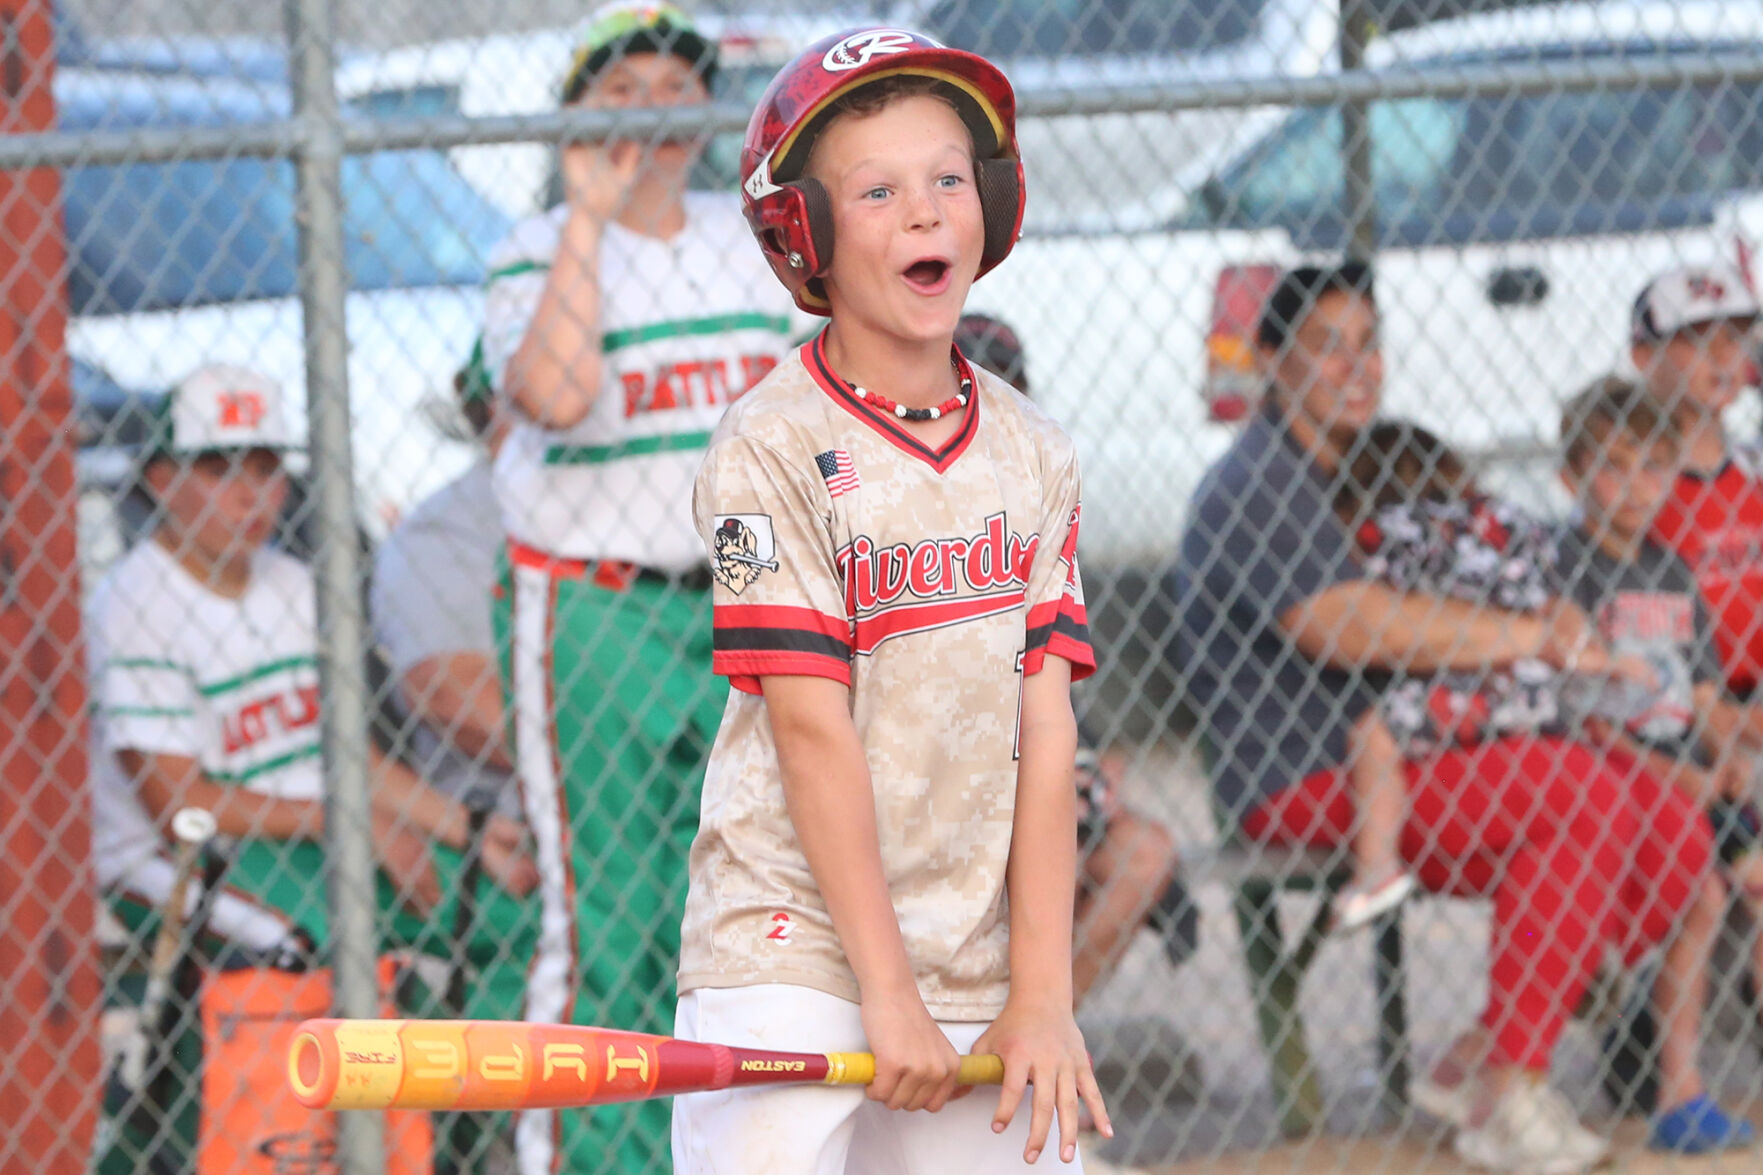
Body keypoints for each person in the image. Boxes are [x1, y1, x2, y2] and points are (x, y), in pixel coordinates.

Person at [674, 29, 1110, 1174]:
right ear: (803, 238)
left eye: (948, 179)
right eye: (875, 191)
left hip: (974, 951)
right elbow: (809, 728)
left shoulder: (1032, 452)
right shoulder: (761, 449)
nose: (924, 213)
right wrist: (882, 989)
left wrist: (1042, 993)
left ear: (993, 206)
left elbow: (1045, 728)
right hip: (793, 942)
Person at [1173, 262, 1700, 1173]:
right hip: (1304, 773)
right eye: (1326, 345)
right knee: (1577, 793)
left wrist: (1541, 621)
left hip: (1413, 757)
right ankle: (1509, 1092)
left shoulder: (1366, 466)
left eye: (1366, 343)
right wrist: (1531, 635)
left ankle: (1484, 1059)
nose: (1354, 364)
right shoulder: (1258, 481)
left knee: (1669, 829)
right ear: (1271, 360)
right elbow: (1348, 625)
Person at [477, 6, 802, 1171]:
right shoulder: (534, 245)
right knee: (605, 917)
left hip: (742, 593)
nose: (654, 109)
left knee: (747, 913)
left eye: (675, 85)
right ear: (575, 114)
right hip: (594, 605)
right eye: (622, 92)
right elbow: (557, 397)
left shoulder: (750, 236)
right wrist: (587, 224)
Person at [88, 364, 536, 999]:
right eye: (220, 470)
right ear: (162, 481)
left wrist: (470, 830)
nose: (251, 495)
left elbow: (357, 760)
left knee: (513, 914)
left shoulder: (292, 584)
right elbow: (182, 808)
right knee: (309, 949)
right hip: (183, 857)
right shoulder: (133, 604)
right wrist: (349, 821)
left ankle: (490, 1097)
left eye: (265, 468)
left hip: (314, 832)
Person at [954, 311, 1197, 999]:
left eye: (1008, 391)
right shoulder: (897, 509)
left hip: (1030, 771)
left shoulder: (1036, 508)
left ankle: (1033, 1043)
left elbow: (1052, 688)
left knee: (1140, 853)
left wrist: (1089, 764)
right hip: (941, 793)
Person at [1554, 376, 1757, 1152]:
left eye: (1651, 466)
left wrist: (1727, 757)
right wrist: (1682, 777)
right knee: (1703, 890)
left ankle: (1672, 1079)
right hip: (1613, 776)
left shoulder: (1672, 572)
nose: (1636, 487)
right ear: (1571, 477)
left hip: (1691, 781)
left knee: (1751, 875)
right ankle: (1674, 1083)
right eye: (1613, 466)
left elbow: (1703, 699)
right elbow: (1583, 717)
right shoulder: (1568, 568)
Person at [1328, 423, 1565, 930]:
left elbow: (1370, 609)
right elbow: (1549, 582)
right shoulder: (1506, 519)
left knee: (1375, 738)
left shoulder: (1390, 528)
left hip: (1463, 688)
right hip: (1533, 686)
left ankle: (1375, 870)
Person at [372, 340, 519, 818]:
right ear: (498, 408)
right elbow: (449, 695)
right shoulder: (440, 531)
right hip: (511, 820)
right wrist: (628, 768)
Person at [1635, 264, 1763, 695]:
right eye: (1696, 338)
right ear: (1644, 356)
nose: (1723, 356)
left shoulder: (1754, 470)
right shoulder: (1629, 491)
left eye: (1734, 337)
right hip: (1687, 712)